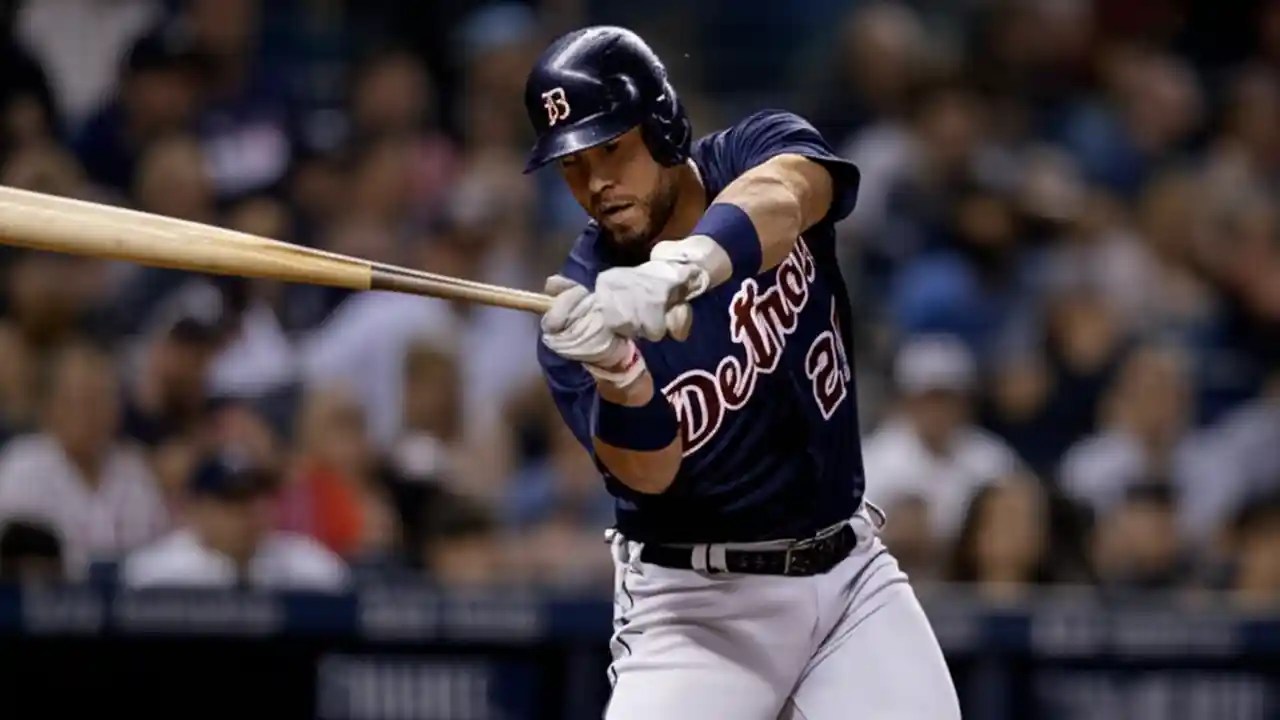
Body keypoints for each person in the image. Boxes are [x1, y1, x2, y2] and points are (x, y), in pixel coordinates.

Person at [528, 26, 959, 720]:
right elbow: (649, 473)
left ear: (663, 125)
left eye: (611, 148)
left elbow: (790, 195)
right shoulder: (584, 307)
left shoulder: (752, 150)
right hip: (698, 611)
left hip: (850, 576)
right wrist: (618, 371)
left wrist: (688, 264)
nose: (595, 182)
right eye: (572, 165)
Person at [122, 450, 349, 591]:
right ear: (196, 510)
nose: (250, 512)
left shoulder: (307, 565)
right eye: (234, 500)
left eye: (257, 497)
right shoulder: (157, 573)